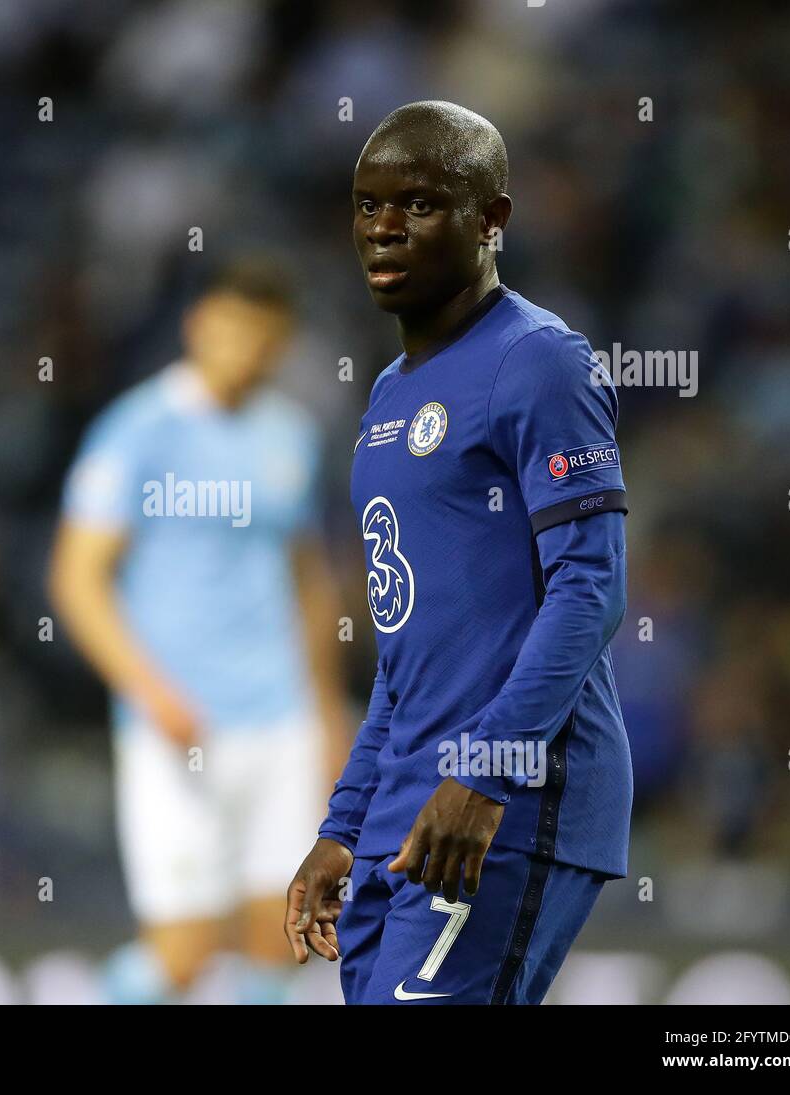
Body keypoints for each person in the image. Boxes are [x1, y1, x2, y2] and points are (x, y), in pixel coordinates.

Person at [285, 101, 633, 1005]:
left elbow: (590, 589)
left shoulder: (539, 361)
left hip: (512, 792)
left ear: (493, 220)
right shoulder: (388, 399)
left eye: (421, 203)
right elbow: (410, 652)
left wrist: (487, 770)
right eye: (367, 206)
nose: (384, 228)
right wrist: (345, 825)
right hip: (409, 802)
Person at [49, 258, 350, 1004]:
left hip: (279, 719)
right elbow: (77, 577)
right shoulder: (137, 432)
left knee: (278, 940)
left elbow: (307, 579)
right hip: (178, 723)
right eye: (232, 328)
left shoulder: (288, 436)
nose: (245, 349)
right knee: (181, 956)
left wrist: (327, 706)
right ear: (198, 325)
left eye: (263, 335)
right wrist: (152, 691)